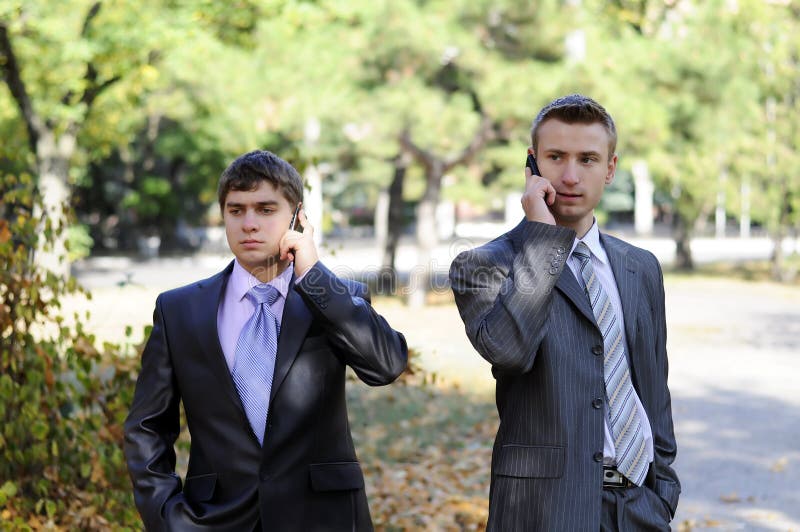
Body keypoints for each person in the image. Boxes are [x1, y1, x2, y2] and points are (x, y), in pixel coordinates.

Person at [124, 150, 408, 531]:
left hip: (324, 519)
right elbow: (146, 428)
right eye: (236, 210)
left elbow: (386, 364)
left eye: (266, 209)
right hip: (215, 521)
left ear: (298, 218)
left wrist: (314, 277)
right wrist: (169, 518)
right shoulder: (180, 311)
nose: (249, 224)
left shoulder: (334, 298)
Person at [449, 94, 680, 531]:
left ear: (610, 169)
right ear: (532, 165)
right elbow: (510, 351)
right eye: (556, 157)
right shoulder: (484, 265)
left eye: (588, 159)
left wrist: (663, 490)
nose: (571, 176)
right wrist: (541, 236)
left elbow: (654, 389)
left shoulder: (640, 268)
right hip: (544, 512)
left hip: (640, 510)